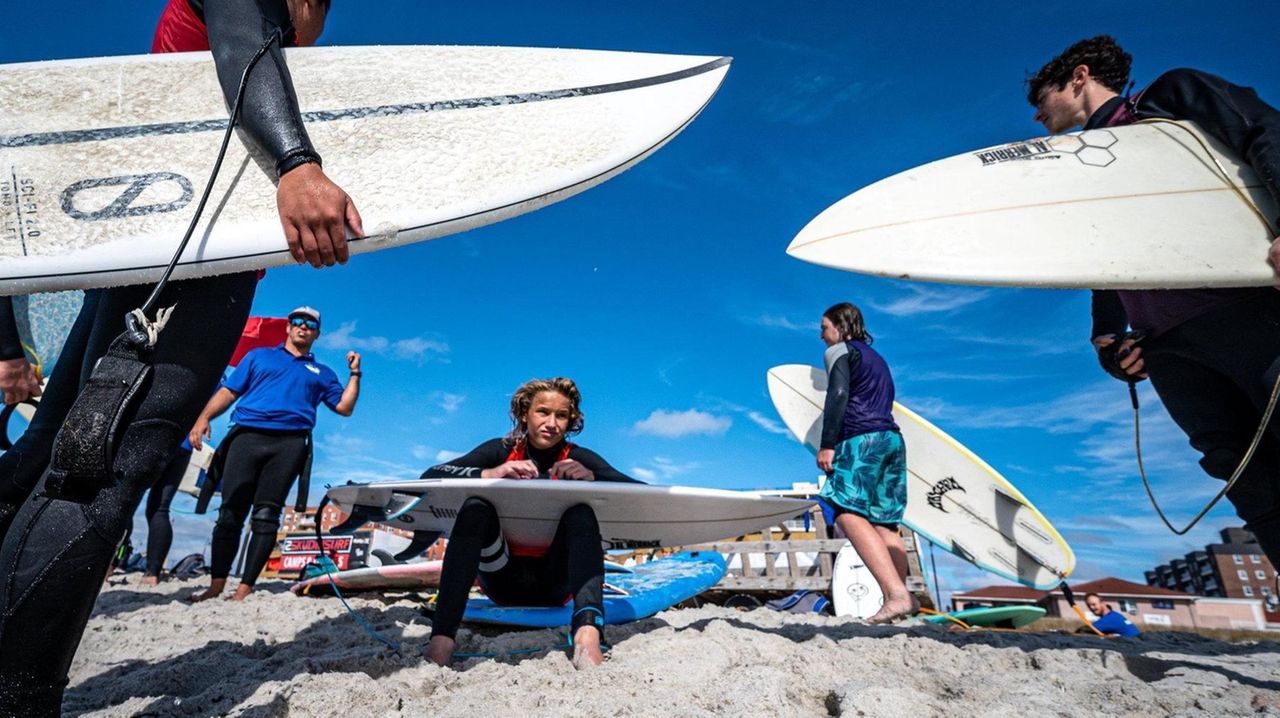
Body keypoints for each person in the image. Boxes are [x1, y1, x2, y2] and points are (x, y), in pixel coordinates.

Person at [0, 2, 362, 713]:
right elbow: (243, 38)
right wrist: (297, 162)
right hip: (192, 254)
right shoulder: (254, 26)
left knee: (51, 452)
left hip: (144, 246)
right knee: (100, 464)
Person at [1026, 36, 1280, 564]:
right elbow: (1108, 258)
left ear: (1079, 76)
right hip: (1167, 348)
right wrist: (1109, 345)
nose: (1035, 116)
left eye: (1040, 98)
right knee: (1246, 479)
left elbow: (1264, 132)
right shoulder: (1079, 169)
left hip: (1250, 310)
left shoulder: (1170, 98)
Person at [421, 377, 639, 670]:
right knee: (476, 507)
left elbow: (637, 488)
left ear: (570, 420)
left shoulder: (578, 458)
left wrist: (592, 477)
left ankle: (587, 638)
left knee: (581, 512)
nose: (552, 422)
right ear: (525, 413)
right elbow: (432, 474)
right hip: (501, 579)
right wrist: (491, 472)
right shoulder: (500, 450)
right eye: (543, 412)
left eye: (562, 415)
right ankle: (442, 641)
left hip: (556, 583)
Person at [188, 306, 360, 602]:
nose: (302, 326)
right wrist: (204, 417)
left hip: (289, 445)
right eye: (297, 321)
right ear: (288, 327)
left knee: (267, 515)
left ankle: (244, 589)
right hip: (246, 436)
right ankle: (216, 585)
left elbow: (344, 407)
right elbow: (229, 392)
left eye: (310, 324)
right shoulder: (258, 356)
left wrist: (355, 373)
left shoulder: (322, 373)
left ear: (317, 333)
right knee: (230, 514)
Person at [816, 302, 916, 624]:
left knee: (845, 512)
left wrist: (828, 444)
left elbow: (838, 394)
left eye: (824, 328)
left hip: (862, 440)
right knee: (885, 522)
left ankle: (896, 596)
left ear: (841, 328)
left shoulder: (839, 351)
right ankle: (901, 600)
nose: (822, 336)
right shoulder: (879, 360)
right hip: (892, 440)